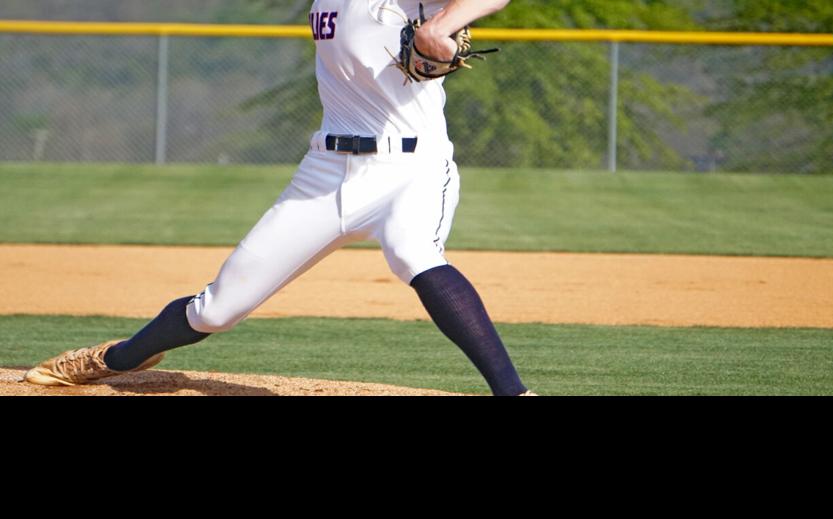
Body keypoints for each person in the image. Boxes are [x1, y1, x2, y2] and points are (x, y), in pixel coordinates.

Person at [24, 0, 535, 396]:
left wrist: (438, 26)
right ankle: (112, 359)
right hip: (326, 170)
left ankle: (514, 391)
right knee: (216, 311)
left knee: (413, 253)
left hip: (411, 167)